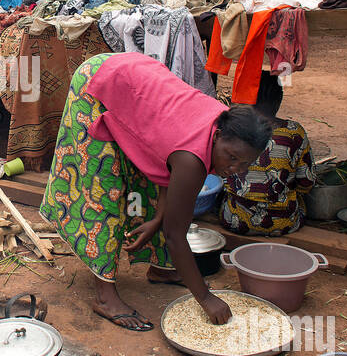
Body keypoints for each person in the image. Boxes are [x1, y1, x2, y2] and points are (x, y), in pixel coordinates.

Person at [41, 52, 272, 331]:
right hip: (98, 85)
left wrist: (157, 218)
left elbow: (164, 160)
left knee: (147, 187)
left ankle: (161, 268)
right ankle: (105, 296)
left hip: (133, 83)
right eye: (231, 157)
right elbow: (176, 235)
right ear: (219, 135)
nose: (234, 168)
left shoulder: (219, 132)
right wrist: (206, 298)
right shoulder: (193, 159)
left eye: (244, 164)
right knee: (105, 191)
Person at [219, 72, 314, 235]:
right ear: (279, 100)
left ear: (248, 99)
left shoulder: (234, 129)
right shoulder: (294, 133)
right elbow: (307, 182)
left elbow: (221, 174)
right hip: (284, 223)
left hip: (235, 220)